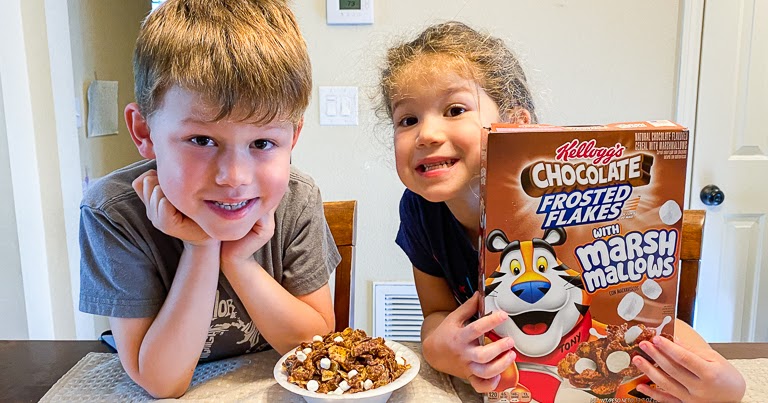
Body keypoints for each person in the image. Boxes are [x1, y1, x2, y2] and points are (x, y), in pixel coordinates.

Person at [378, 21, 745, 402]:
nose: (427, 134)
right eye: (408, 120)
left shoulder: (563, 208)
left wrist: (721, 382)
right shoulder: (420, 210)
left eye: (454, 109)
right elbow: (437, 313)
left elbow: (642, 321)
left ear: (514, 125)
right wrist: (442, 351)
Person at [79, 0, 340, 398]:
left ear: (293, 139)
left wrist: (237, 260)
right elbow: (162, 382)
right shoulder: (113, 213)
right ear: (144, 132)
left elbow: (314, 348)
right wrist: (201, 247)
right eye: (201, 140)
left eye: (263, 142)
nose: (234, 177)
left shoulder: (298, 198)